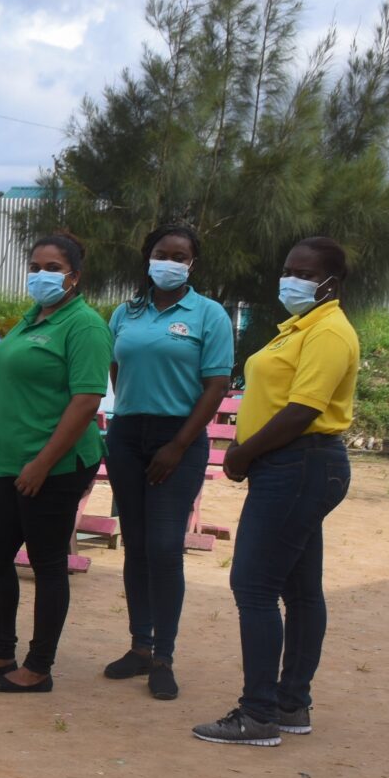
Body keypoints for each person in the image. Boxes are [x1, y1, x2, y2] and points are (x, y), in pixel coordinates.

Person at [193, 237, 357, 747]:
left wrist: (243, 453)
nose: (292, 279)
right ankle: (290, 703)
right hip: (293, 467)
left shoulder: (329, 331)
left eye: (304, 273)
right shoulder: (299, 329)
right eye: (289, 269)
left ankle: (259, 713)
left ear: (331, 283)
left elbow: (303, 409)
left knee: (254, 587)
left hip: (299, 464)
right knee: (301, 589)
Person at [0, 233, 110, 692]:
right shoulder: (29, 320)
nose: (41, 275)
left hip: (56, 463)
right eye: (35, 265)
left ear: (74, 277)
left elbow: (85, 401)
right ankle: (1, 649)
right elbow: (10, 389)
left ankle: (38, 666)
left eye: (53, 267)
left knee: (46, 561)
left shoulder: (84, 326)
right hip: (12, 459)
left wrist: (43, 462)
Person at [104, 225, 232, 701]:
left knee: (163, 546)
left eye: (180, 256)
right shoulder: (126, 312)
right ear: (148, 257)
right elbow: (117, 367)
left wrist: (178, 444)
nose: (169, 262)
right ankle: (139, 646)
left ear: (192, 264)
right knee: (136, 546)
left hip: (178, 437)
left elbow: (215, 385)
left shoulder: (208, 314)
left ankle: (164, 656)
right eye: (162, 253)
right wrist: (127, 421)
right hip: (127, 435)